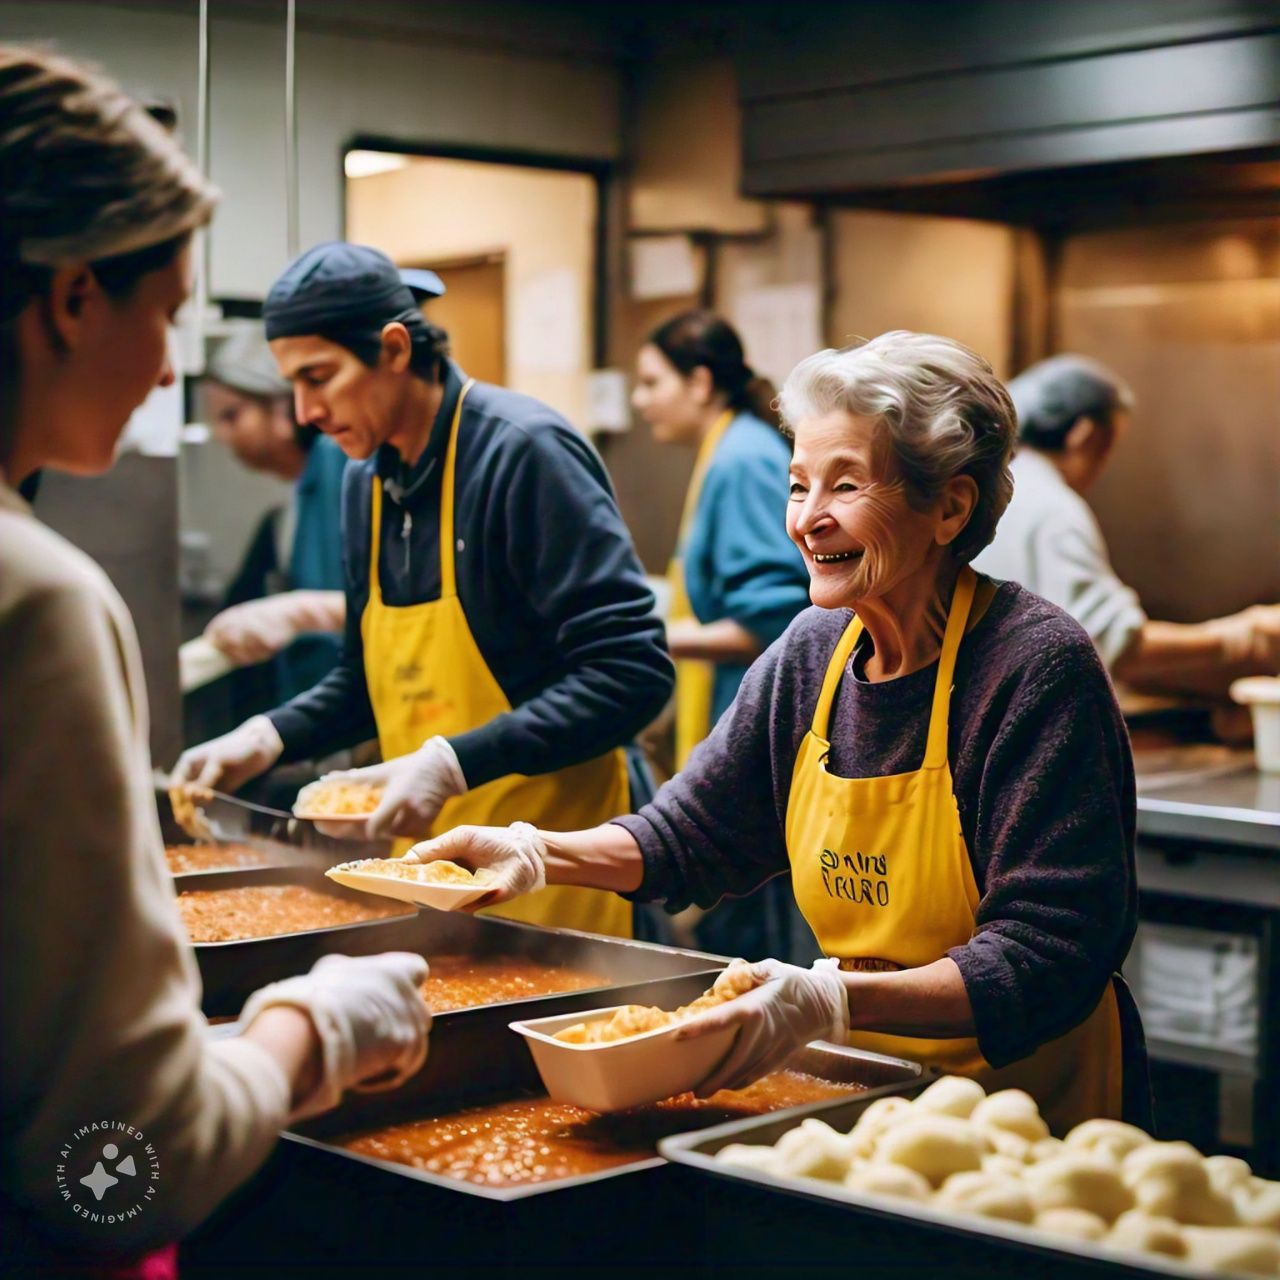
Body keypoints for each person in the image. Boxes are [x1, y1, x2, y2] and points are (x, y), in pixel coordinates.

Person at [406, 331, 1151, 1134]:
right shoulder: (813, 652)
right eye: (799, 487)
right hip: (873, 1096)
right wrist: (538, 851)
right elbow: (692, 834)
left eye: (846, 485)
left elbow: (1051, 956)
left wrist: (827, 998)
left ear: (950, 507)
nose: (808, 521)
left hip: (1032, 1120)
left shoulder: (1034, 667)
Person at [0, 47, 429, 1275]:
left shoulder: (497, 457)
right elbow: (120, 1164)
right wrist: (314, 1024)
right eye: (169, 314)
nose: (165, 365)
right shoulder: (33, 595)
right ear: (74, 297)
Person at [174, 243, 673, 939]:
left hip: (566, 873)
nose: (305, 411)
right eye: (292, 383)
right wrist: (268, 736)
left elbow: (632, 675)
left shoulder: (522, 453)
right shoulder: (366, 479)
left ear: (395, 348)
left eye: (319, 377)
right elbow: (366, 681)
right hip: (441, 880)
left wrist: (450, 763)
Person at [632, 310, 812, 962]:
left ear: (701, 382)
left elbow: (772, 618)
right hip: (742, 731)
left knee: (755, 944)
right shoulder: (731, 449)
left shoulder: (739, 459)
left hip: (761, 744)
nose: (639, 399)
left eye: (652, 382)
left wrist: (650, 637)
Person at [974, 355, 1280, 694]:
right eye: (1107, 449)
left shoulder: (998, 486)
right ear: (1084, 435)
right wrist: (1245, 634)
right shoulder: (1051, 507)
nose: (1102, 468)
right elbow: (1111, 644)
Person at [200, 321, 347, 709]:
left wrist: (298, 614)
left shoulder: (337, 466)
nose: (222, 435)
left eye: (231, 416)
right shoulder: (297, 495)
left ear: (283, 408)